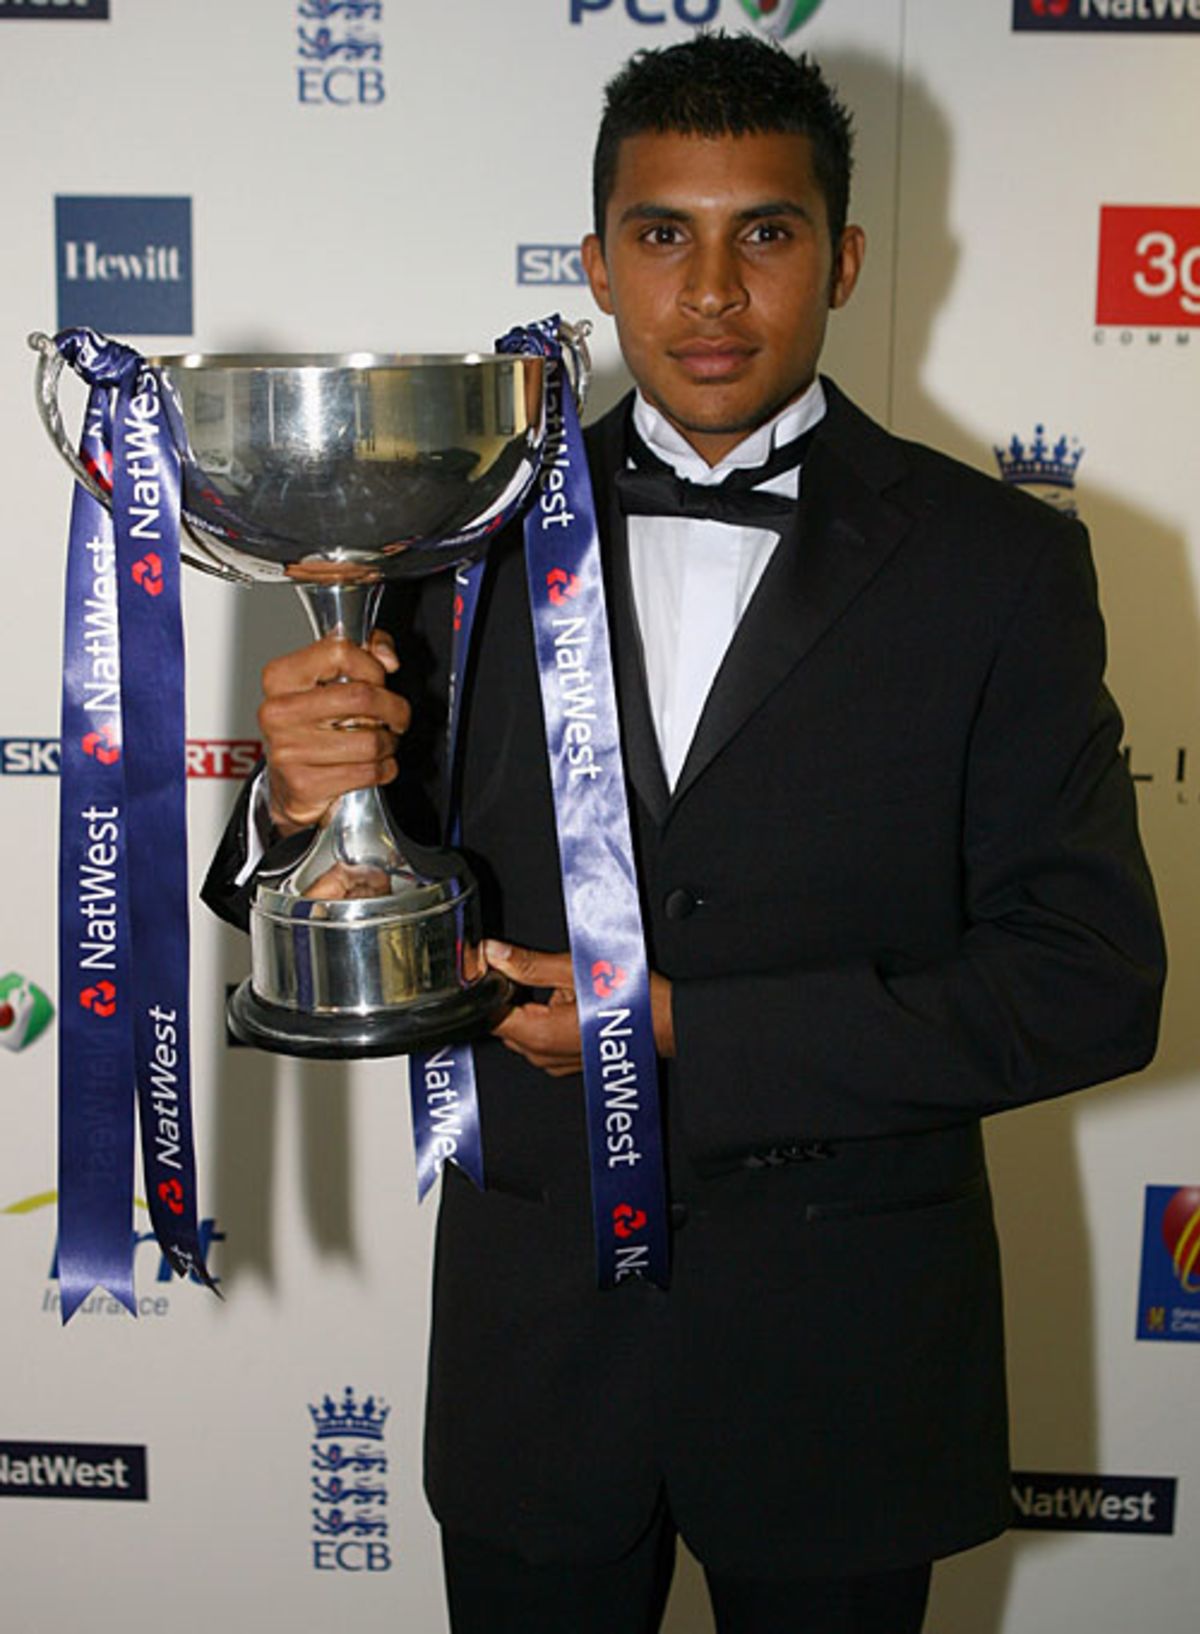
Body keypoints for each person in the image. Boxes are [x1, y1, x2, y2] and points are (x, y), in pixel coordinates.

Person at [204, 34, 1165, 1634]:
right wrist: (297, 806)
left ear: (846, 257)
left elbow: (1087, 980)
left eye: (765, 233)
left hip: (847, 1351)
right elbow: (329, 903)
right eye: (662, 234)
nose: (711, 290)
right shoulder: (454, 534)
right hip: (536, 1357)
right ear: (594, 261)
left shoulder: (1000, 568)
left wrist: (679, 1036)